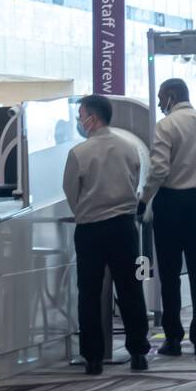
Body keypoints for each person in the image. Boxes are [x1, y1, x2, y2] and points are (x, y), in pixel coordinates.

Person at [62, 94, 151, 375]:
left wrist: (84, 212)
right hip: (124, 227)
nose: (79, 119)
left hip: (90, 229)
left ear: (93, 117)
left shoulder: (79, 153)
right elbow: (135, 182)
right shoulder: (129, 149)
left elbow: (70, 191)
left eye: (81, 114)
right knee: (130, 290)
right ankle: (138, 352)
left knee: (89, 292)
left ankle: (93, 358)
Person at [140, 78, 196, 357]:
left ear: (171, 95)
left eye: (160, 97)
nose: (158, 103)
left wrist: (144, 200)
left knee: (168, 273)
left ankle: (174, 338)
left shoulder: (167, 125)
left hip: (171, 202)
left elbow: (159, 169)